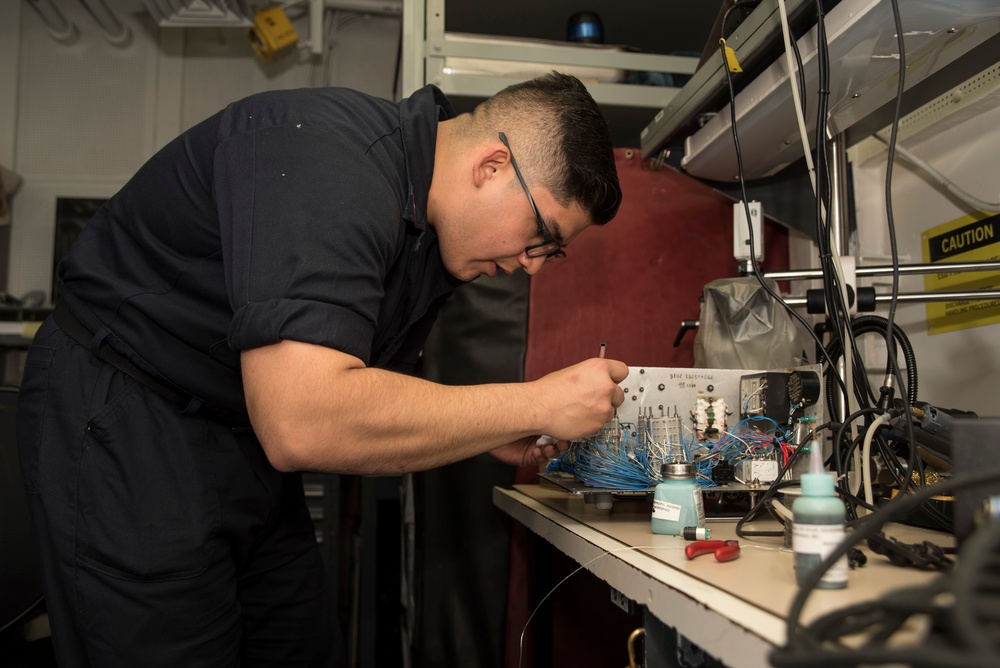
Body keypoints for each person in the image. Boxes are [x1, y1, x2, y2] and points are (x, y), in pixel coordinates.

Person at [16, 71, 628, 667]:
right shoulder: (330, 162)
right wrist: (532, 404)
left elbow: (355, 394)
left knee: (299, 647)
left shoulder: (435, 234)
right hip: (126, 416)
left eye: (551, 251)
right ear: (491, 167)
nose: (533, 266)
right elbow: (305, 421)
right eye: (539, 235)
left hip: (238, 434)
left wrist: (486, 428)